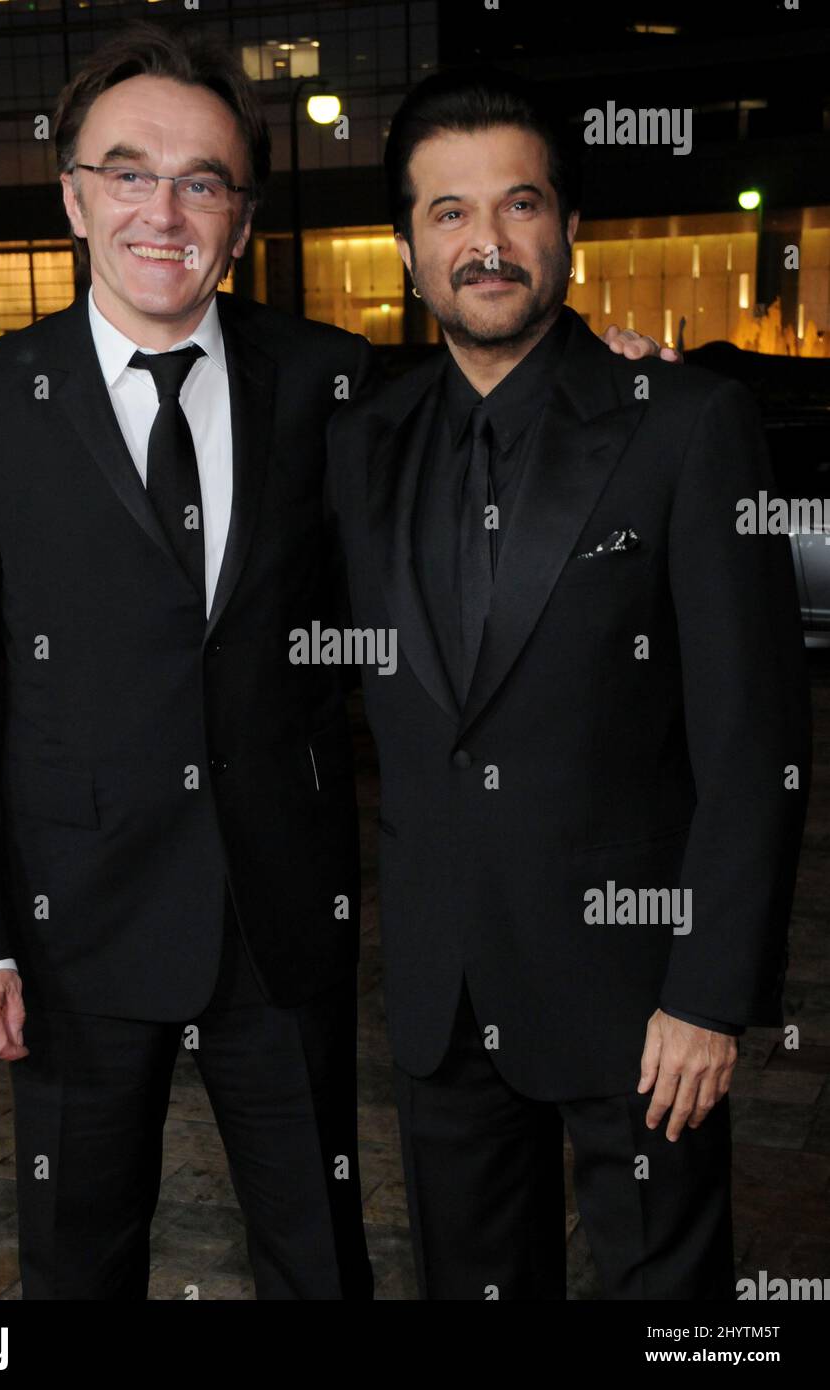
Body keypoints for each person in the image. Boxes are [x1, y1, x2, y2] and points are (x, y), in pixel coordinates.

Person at [0, 22, 667, 1301]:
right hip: (70, 933)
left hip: (281, 922)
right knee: (79, 1261)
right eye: (129, 172)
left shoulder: (335, 384)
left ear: (243, 219)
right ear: (75, 195)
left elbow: (499, 400)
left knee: (321, 1260)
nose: (164, 210)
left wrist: (612, 372)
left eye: (202, 181)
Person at [324, 65, 810, 1300]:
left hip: (639, 1002)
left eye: (518, 204)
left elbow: (753, 738)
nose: (485, 242)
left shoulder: (687, 423)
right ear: (405, 247)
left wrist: (708, 994)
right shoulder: (358, 442)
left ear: (568, 226)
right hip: (442, 993)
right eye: (448, 213)